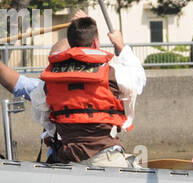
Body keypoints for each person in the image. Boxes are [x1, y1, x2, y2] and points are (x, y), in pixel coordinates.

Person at [39, 15, 147, 167]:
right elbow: (139, 79)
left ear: (70, 43)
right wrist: (121, 46)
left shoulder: (49, 79)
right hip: (106, 157)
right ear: (96, 42)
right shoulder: (114, 73)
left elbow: (44, 118)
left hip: (68, 158)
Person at [0, 35, 56, 161]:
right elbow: (19, 84)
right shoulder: (46, 88)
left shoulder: (46, 88)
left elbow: (18, 84)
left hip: (61, 164)